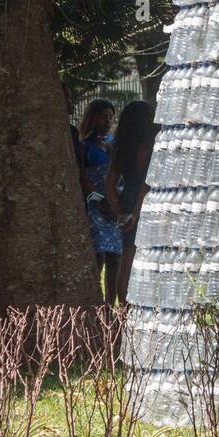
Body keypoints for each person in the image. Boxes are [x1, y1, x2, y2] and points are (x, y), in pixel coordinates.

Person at [106, 97, 158, 304]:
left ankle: (124, 308)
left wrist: (119, 211)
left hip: (127, 201)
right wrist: (137, 213)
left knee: (126, 261)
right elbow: (147, 184)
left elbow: (109, 184)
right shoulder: (149, 148)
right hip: (146, 204)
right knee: (145, 261)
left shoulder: (120, 148)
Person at [78, 98, 121, 303]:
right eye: (103, 117)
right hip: (96, 204)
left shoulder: (114, 143)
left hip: (116, 202)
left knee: (116, 255)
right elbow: (82, 176)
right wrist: (101, 200)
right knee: (99, 255)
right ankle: (95, 301)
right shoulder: (84, 145)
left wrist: (114, 202)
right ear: (92, 118)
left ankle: (110, 304)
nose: (107, 121)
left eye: (110, 118)